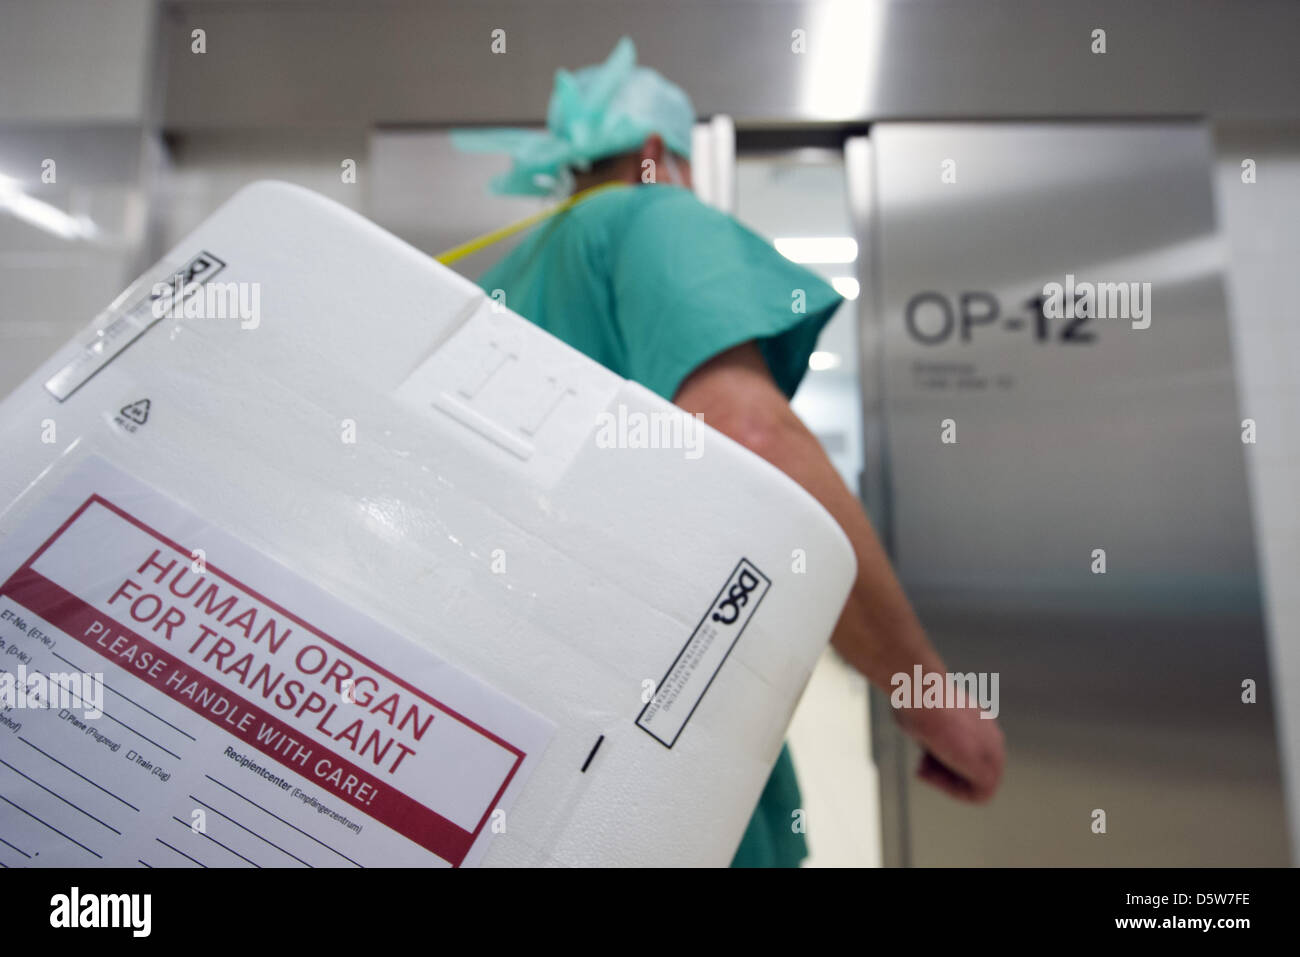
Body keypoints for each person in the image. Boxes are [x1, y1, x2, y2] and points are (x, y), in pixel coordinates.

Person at [452, 37, 1004, 867]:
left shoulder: (515, 272)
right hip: (655, 736)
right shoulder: (651, 212)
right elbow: (751, 439)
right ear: (652, 156)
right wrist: (927, 695)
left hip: (511, 744)